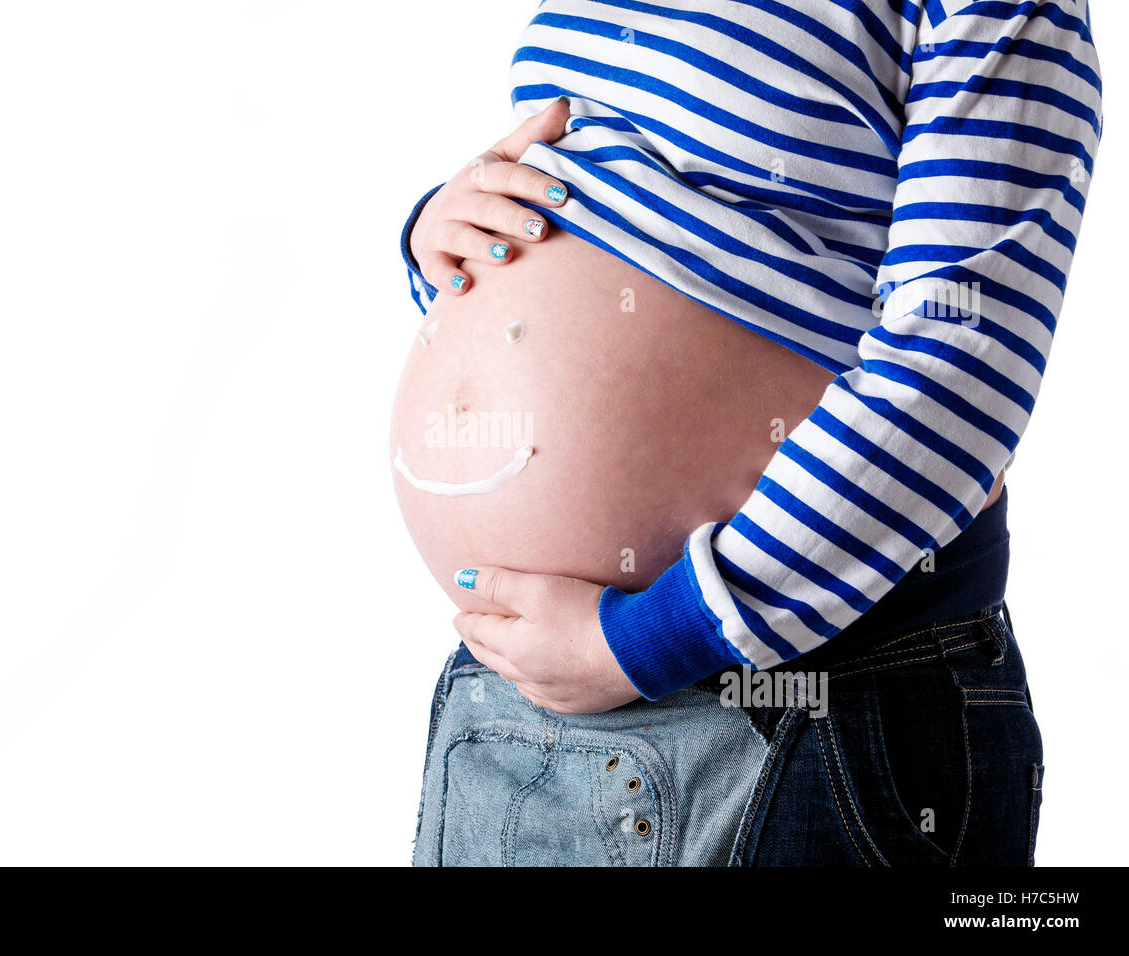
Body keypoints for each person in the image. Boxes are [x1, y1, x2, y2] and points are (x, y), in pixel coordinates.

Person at [395, 0, 1101, 866]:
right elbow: (627, 211)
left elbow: (961, 351)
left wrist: (656, 636)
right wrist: (445, 242)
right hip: (515, 689)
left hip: (808, 700)